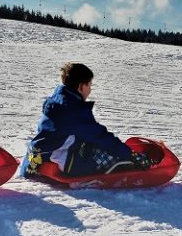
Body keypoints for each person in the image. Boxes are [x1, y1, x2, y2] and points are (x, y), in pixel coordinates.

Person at [20, 62, 152, 178]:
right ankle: (131, 165)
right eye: (89, 85)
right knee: (111, 155)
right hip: (67, 161)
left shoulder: (58, 100)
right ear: (80, 86)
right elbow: (100, 136)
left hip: (42, 154)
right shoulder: (74, 110)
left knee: (91, 142)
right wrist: (130, 155)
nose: (90, 89)